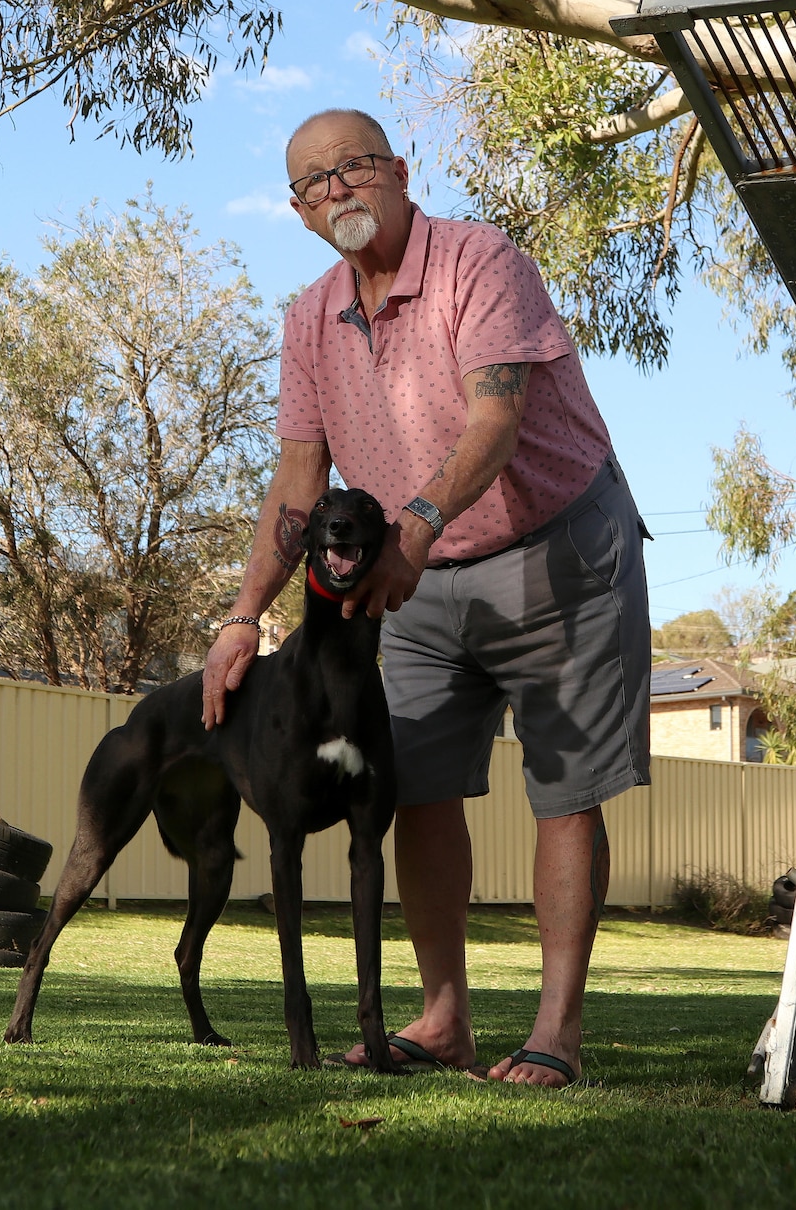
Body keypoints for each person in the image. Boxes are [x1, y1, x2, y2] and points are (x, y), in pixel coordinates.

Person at [200, 108, 651, 1087]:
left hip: (553, 548)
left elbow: (494, 420)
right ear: (297, 209)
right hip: (410, 575)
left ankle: (554, 1034)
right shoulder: (307, 318)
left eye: (354, 167)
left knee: (564, 793)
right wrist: (244, 615)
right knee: (417, 790)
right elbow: (295, 483)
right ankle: (442, 1019)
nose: (338, 190)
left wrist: (411, 527)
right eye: (314, 182)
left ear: (398, 171)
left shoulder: (478, 261)